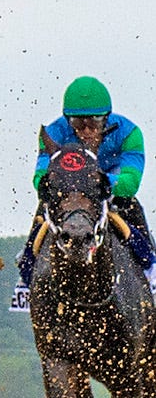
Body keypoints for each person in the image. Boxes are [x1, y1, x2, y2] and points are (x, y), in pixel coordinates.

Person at [19, 76, 153, 288]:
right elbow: (40, 176)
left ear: (106, 118)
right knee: (39, 224)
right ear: (67, 120)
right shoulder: (53, 133)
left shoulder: (130, 133)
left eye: (94, 122)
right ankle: (26, 280)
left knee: (134, 211)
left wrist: (99, 182)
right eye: (79, 123)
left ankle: (150, 273)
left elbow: (131, 182)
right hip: (69, 193)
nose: (87, 130)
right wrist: (44, 184)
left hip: (110, 188)